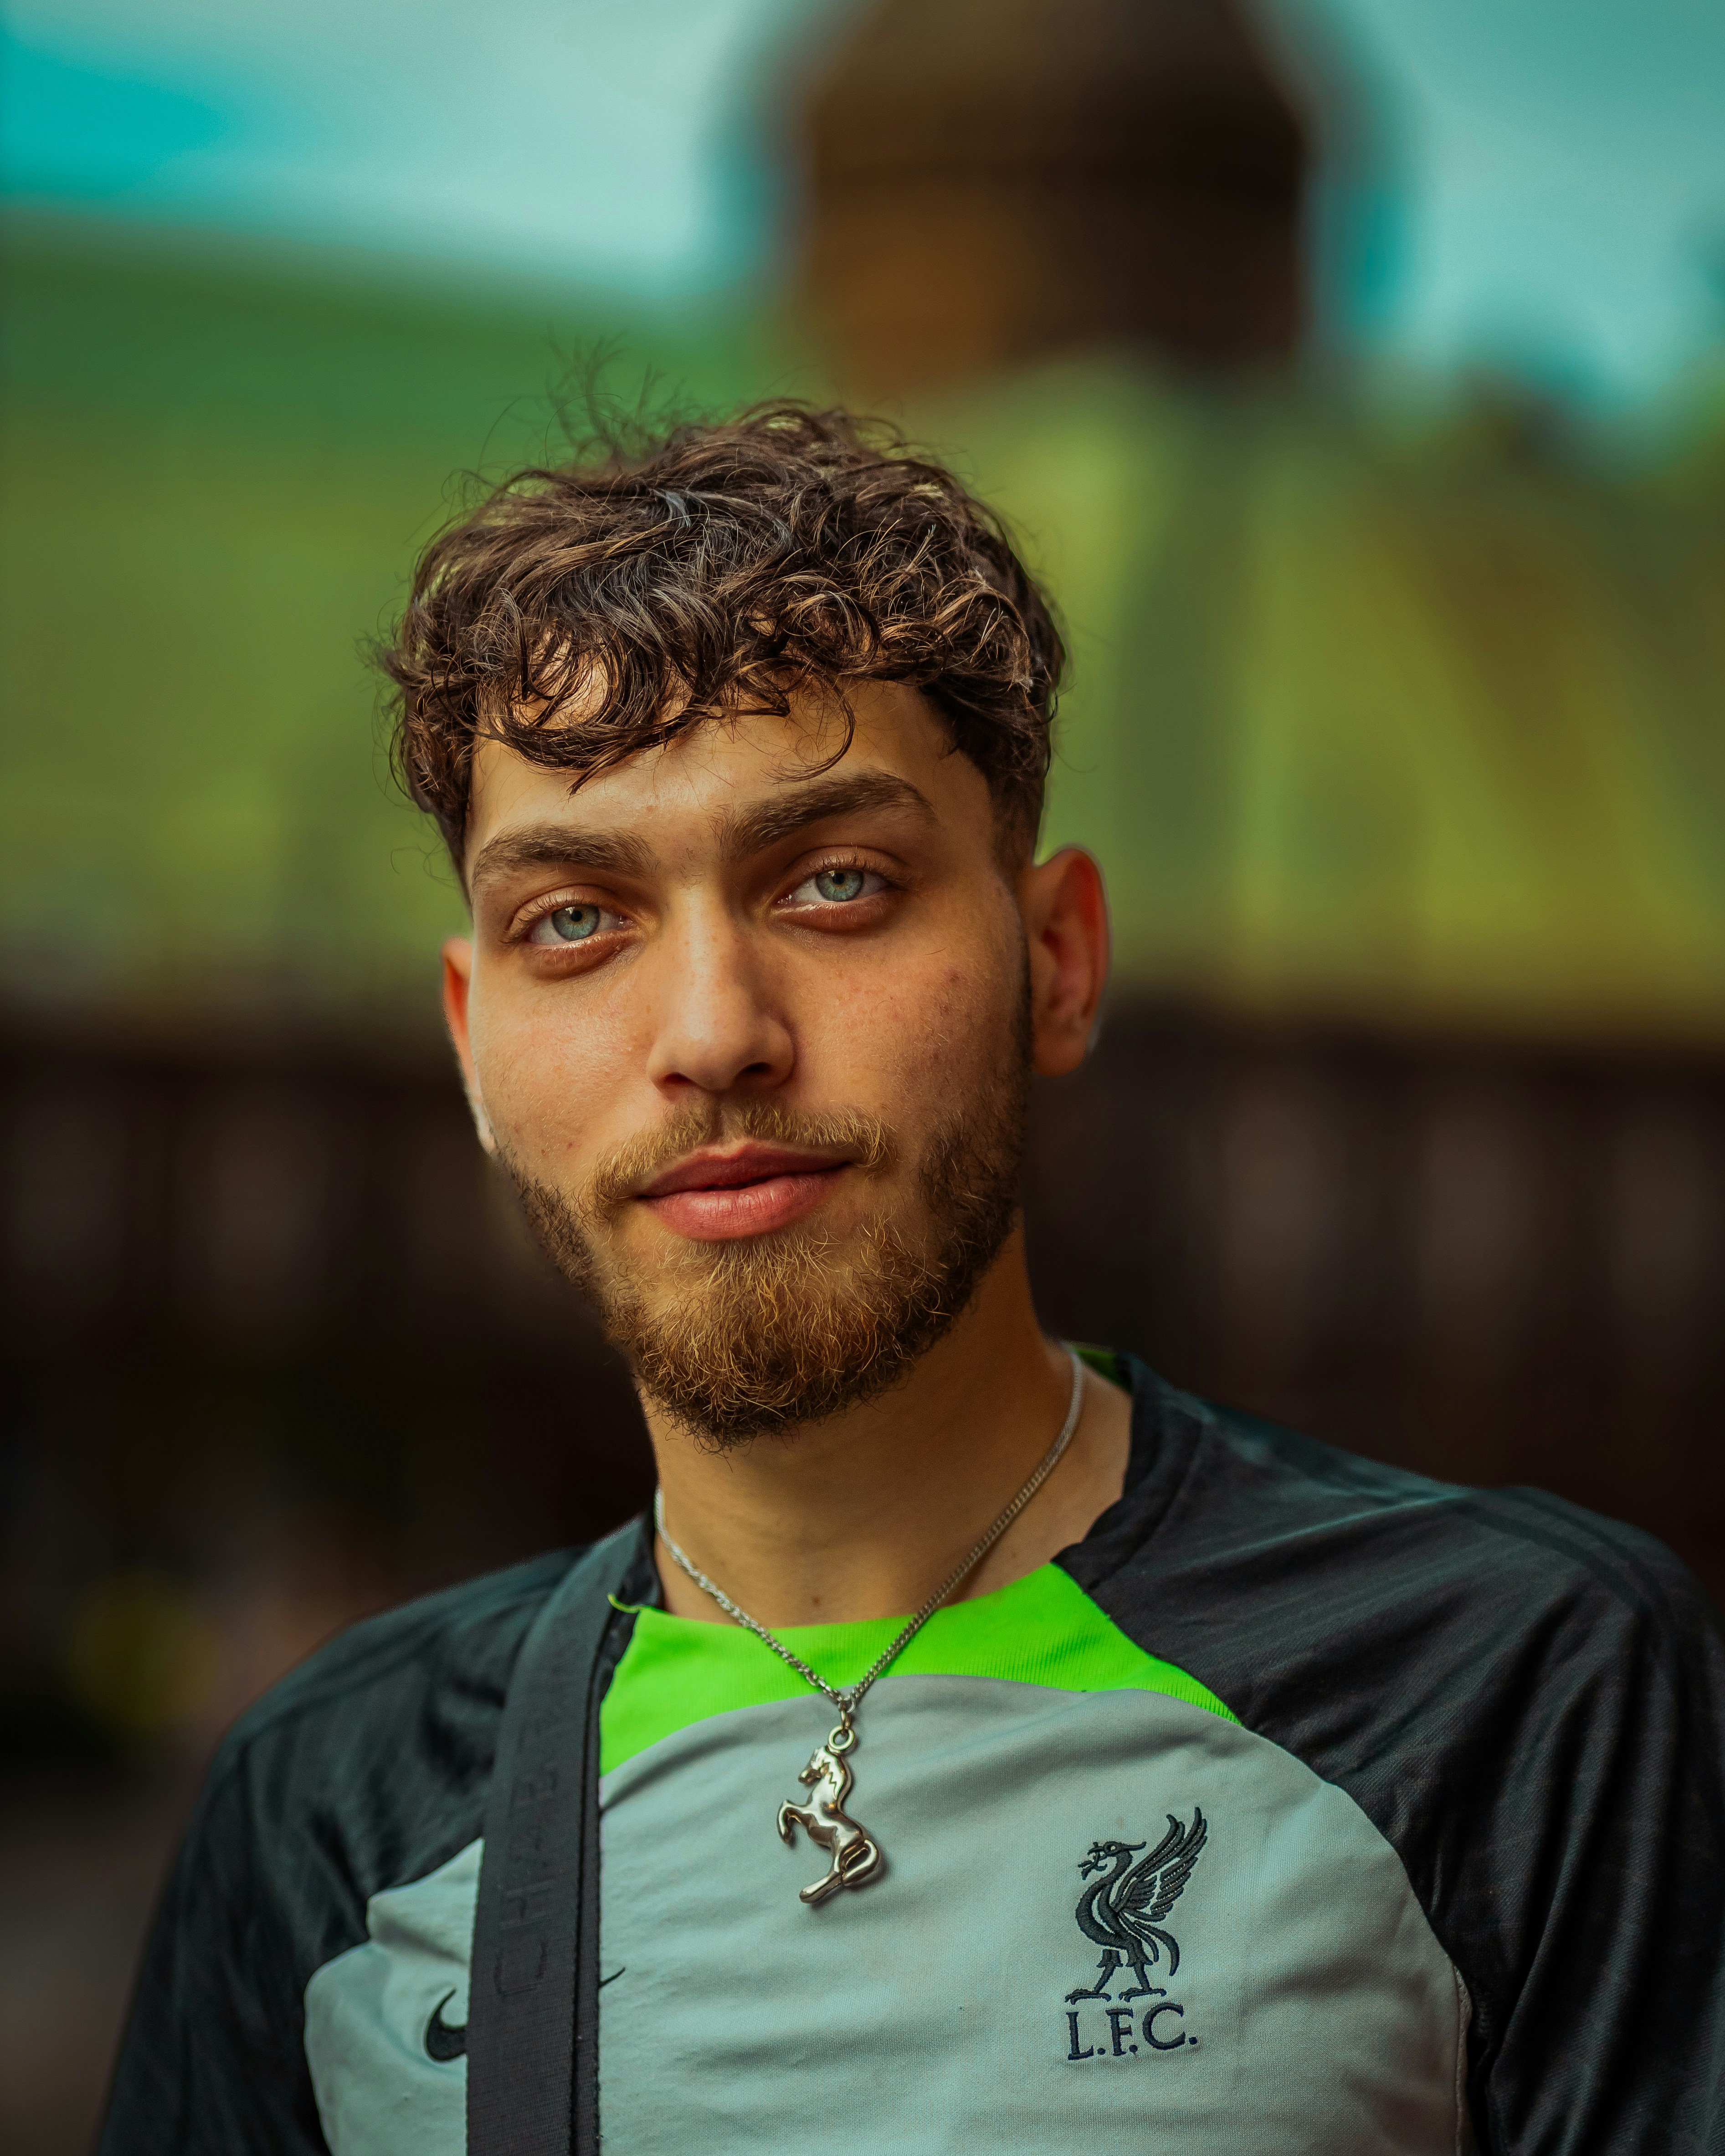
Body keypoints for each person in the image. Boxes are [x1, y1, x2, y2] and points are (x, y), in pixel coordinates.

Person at [100, 406, 1723, 2156]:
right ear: (475, 1039)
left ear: (1055, 962)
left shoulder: (1510, 1687)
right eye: (574, 916)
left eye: (836, 881)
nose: (714, 1033)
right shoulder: (328, 1805)